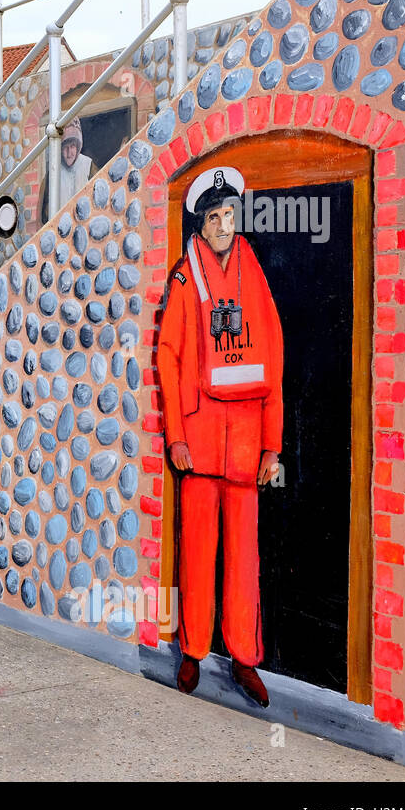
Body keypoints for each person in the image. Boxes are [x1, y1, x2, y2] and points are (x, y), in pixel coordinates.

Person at [155, 166, 284, 709]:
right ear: (201, 225)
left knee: (243, 561)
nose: (226, 225)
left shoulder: (253, 273)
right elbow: (169, 356)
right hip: (201, 444)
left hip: (246, 446)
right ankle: (192, 651)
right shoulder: (186, 279)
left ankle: (245, 660)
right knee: (198, 553)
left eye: (231, 215)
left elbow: (273, 361)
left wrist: (272, 446)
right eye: (216, 217)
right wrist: (177, 436)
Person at [38, 120, 94, 222]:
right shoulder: (54, 171)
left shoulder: (88, 165)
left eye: (72, 147)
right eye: (65, 148)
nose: (69, 153)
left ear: (78, 147)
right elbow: (44, 212)